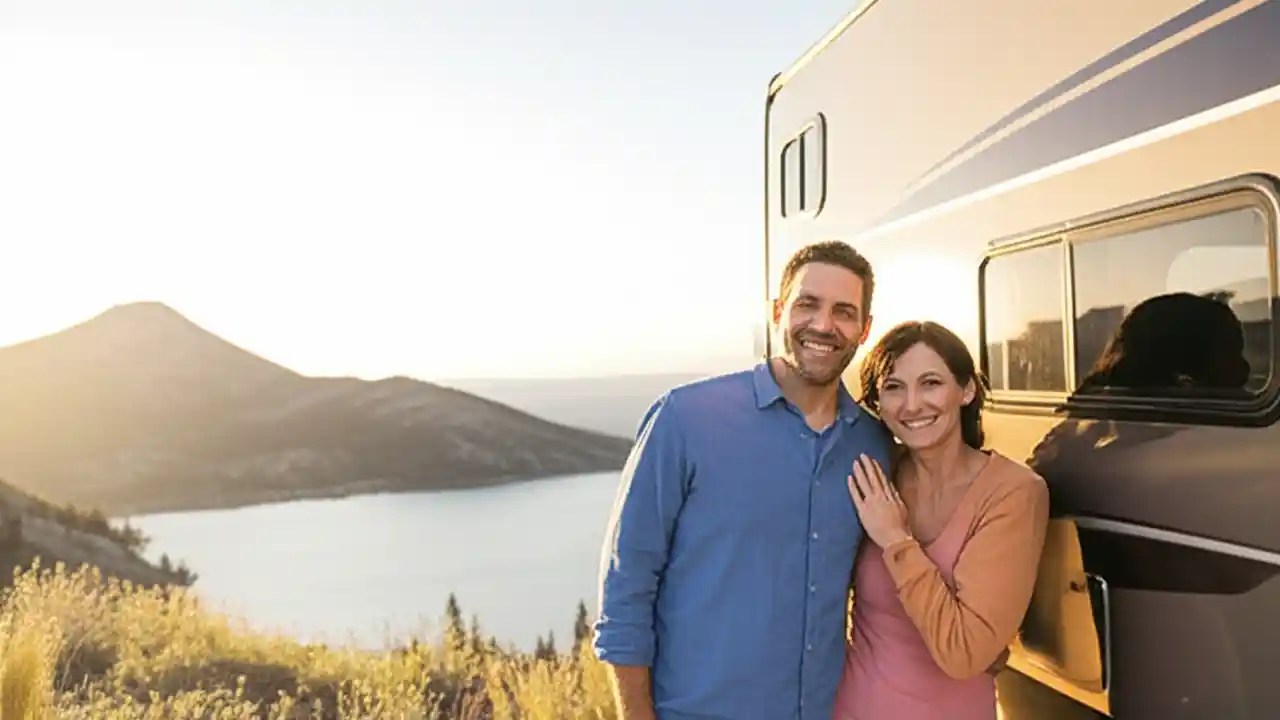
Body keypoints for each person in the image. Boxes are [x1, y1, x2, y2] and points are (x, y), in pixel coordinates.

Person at [592, 240, 893, 720]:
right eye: (807, 304)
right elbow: (627, 581)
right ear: (778, 311)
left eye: (844, 312)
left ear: (864, 329)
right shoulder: (686, 419)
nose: (822, 325)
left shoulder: (874, 446)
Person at [833, 320, 1050, 720]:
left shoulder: (1012, 492)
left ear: (966, 390)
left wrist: (897, 541)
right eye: (894, 387)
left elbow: (964, 654)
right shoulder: (877, 475)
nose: (912, 404)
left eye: (930, 383)